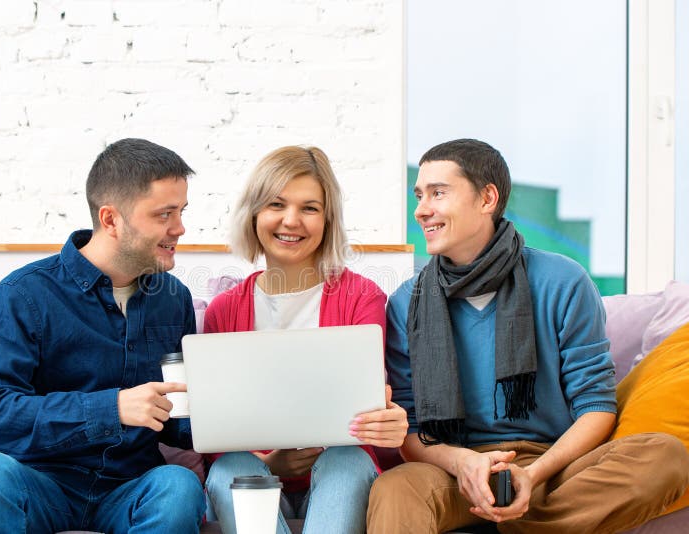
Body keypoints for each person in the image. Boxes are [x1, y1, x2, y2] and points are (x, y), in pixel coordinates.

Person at [367, 139, 689, 534]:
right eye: (419, 195)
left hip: (552, 468)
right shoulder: (407, 303)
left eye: (438, 193)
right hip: (456, 472)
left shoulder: (563, 280)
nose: (421, 209)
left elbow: (596, 406)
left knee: (665, 455)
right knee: (395, 488)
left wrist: (532, 475)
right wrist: (463, 463)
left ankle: (520, 518)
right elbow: (412, 430)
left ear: (487, 198)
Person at [0, 139, 206, 533]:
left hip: (132, 486)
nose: (179, 228)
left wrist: (235, 418)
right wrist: (112, 408)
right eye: (164, 214)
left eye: (181, 212)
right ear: (111, 219)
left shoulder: (173, 298)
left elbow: (177, 419)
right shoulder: (24, 294)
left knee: (178, 485)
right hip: (42, 482)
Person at [203, 145, 409, 534]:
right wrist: (269, 461)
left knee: (347, 460)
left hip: (340, 474)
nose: (291, 220)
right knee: (230, 467)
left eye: (309, 208)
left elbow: (371, 406)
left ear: (328, 220)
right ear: (254, 213)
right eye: (276, 204)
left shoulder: (361, 298)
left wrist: (391, 423)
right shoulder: (223, 311)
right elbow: (216, 432)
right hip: (257, 476)